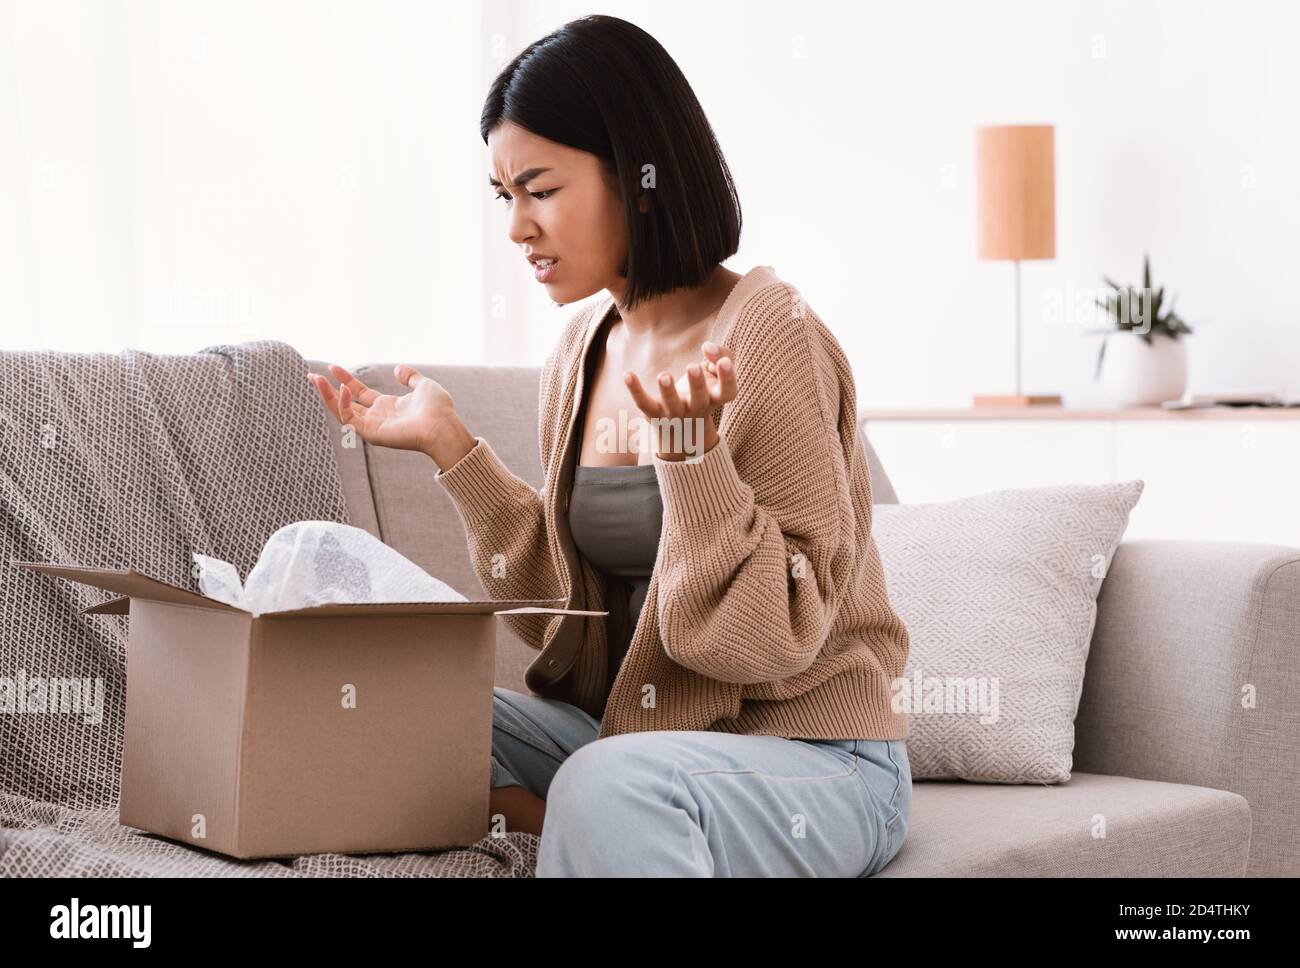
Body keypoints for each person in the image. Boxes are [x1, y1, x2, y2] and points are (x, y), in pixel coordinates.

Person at [310, 14, 911, 877]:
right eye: (503, 196)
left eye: (541, 190)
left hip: (821, 757)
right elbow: (564, 616)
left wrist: (692, 462)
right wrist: (453, 448)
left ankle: (583, 822)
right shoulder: (579, 353)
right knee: (378, 711)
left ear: (639, 177)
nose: (517, 228)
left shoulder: (772, 335)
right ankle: (577, 830)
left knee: (610, 785)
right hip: (642, 735)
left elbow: (774, 639)